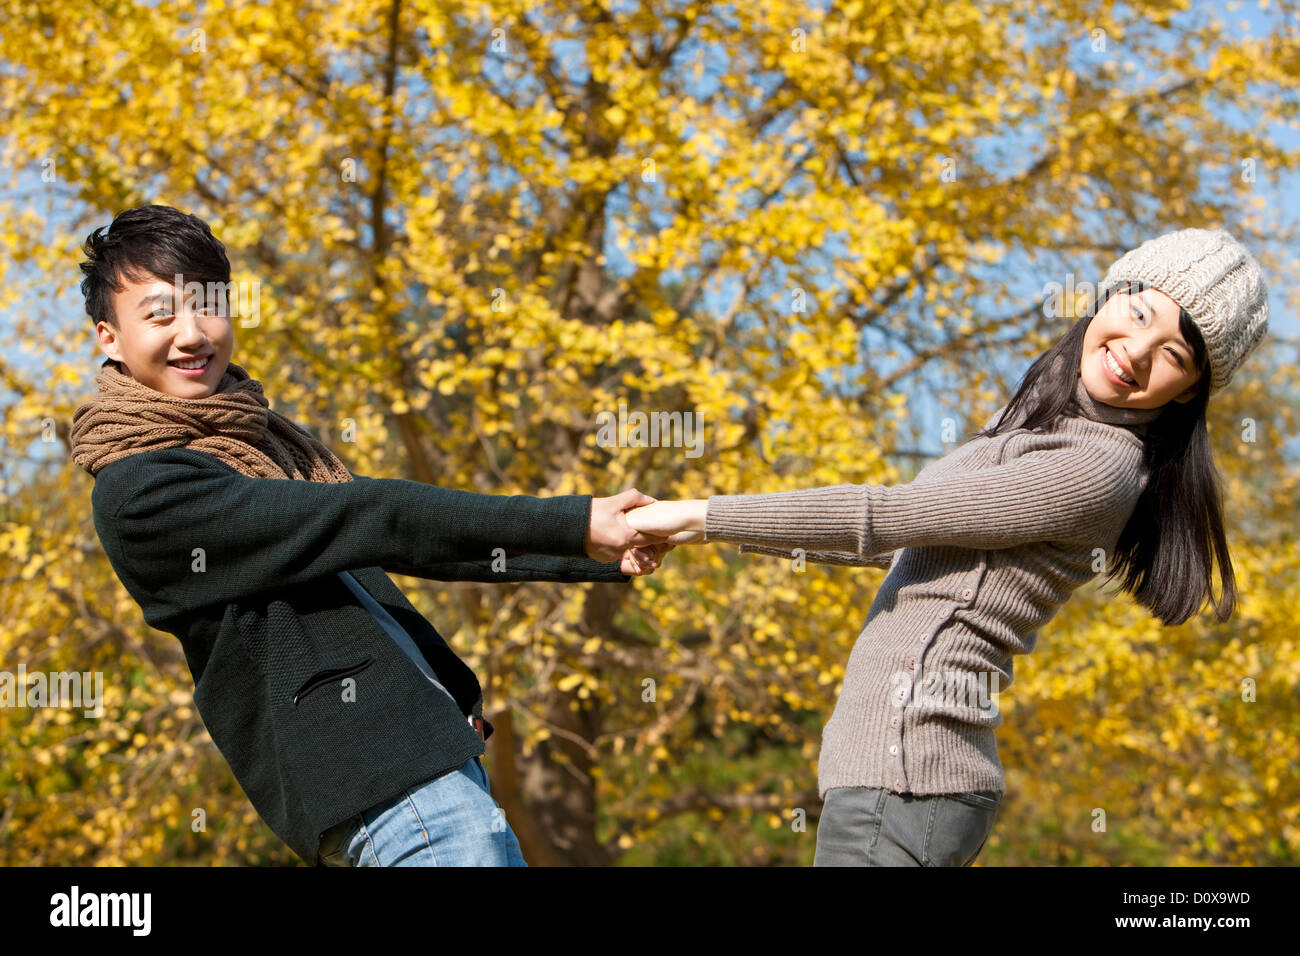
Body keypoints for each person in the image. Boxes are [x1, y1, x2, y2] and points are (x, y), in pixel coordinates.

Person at [628, 228, 1269, 866]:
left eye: (1175, 356)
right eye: (1137, 314)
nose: (1135, 351)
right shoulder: (1045, 427)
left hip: (907, 777)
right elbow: (900, 540)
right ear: (1109, 295)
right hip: (897, 780)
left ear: (1187, 391)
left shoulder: (1095, 468)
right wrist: (697, 531)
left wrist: (700, 515)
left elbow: (886, 514)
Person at [69, 203, 673, 867]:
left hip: (434, 771)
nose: (192, 333)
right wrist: (576, 521)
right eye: (160, 313)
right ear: (109, 337)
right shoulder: (143, 493)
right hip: (392, 788)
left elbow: (410, 544)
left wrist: (598, 552)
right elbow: (377, 518)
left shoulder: (269, 448)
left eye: (208, 307)